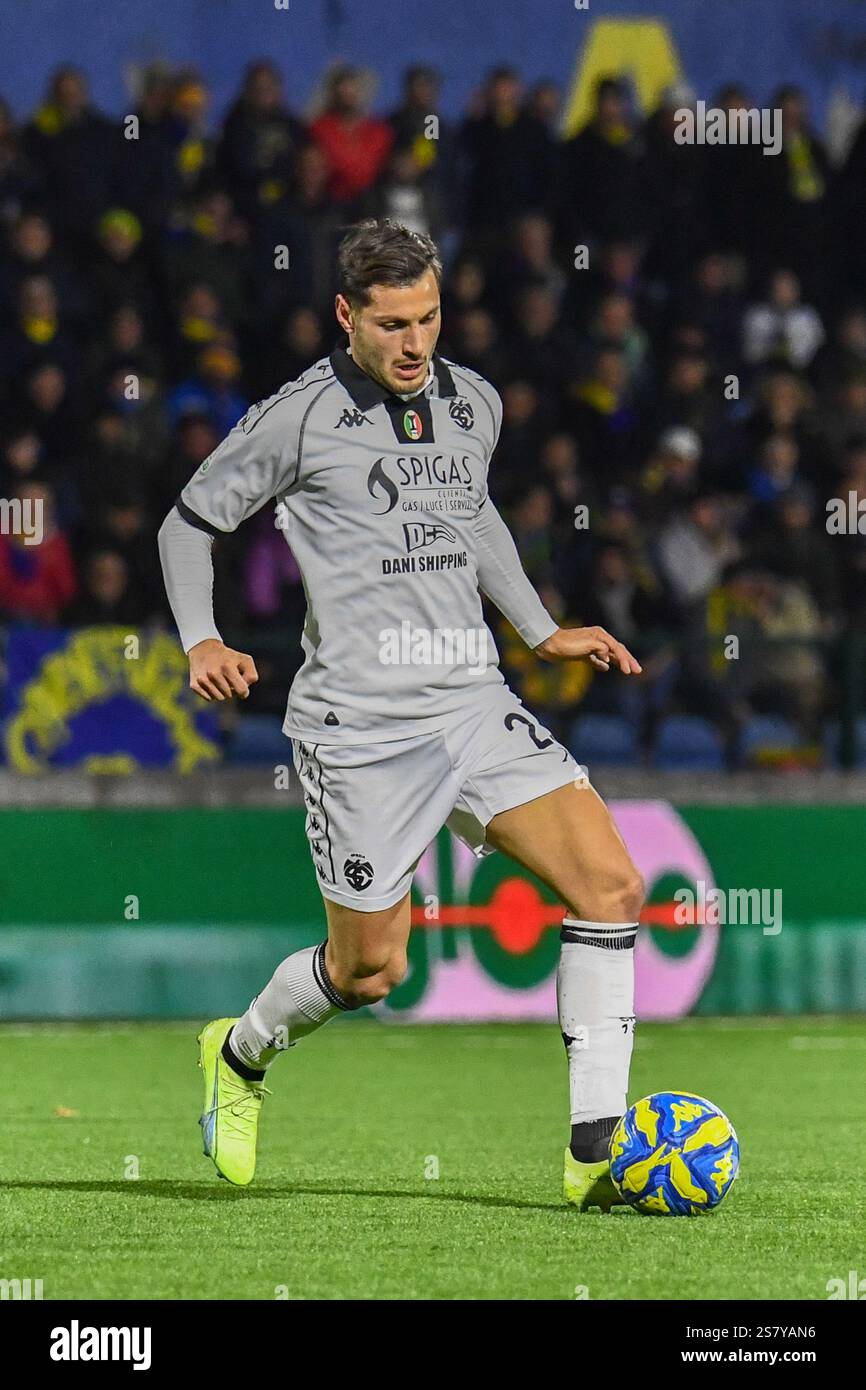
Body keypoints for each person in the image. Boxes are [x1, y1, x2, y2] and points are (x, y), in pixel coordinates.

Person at [158, 219, 643, 1210]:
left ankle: (595, 1152)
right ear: (345, 315)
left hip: (469, 699)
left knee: (609, 883)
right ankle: (240, 1054)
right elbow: (187, 522)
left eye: (427, 318)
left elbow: (473, 517)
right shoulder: (295, 418)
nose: (414, 343)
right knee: (369, 968)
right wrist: (201, 640)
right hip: (360, 729)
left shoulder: (474, 403)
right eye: (390, 324)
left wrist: (538, 627)